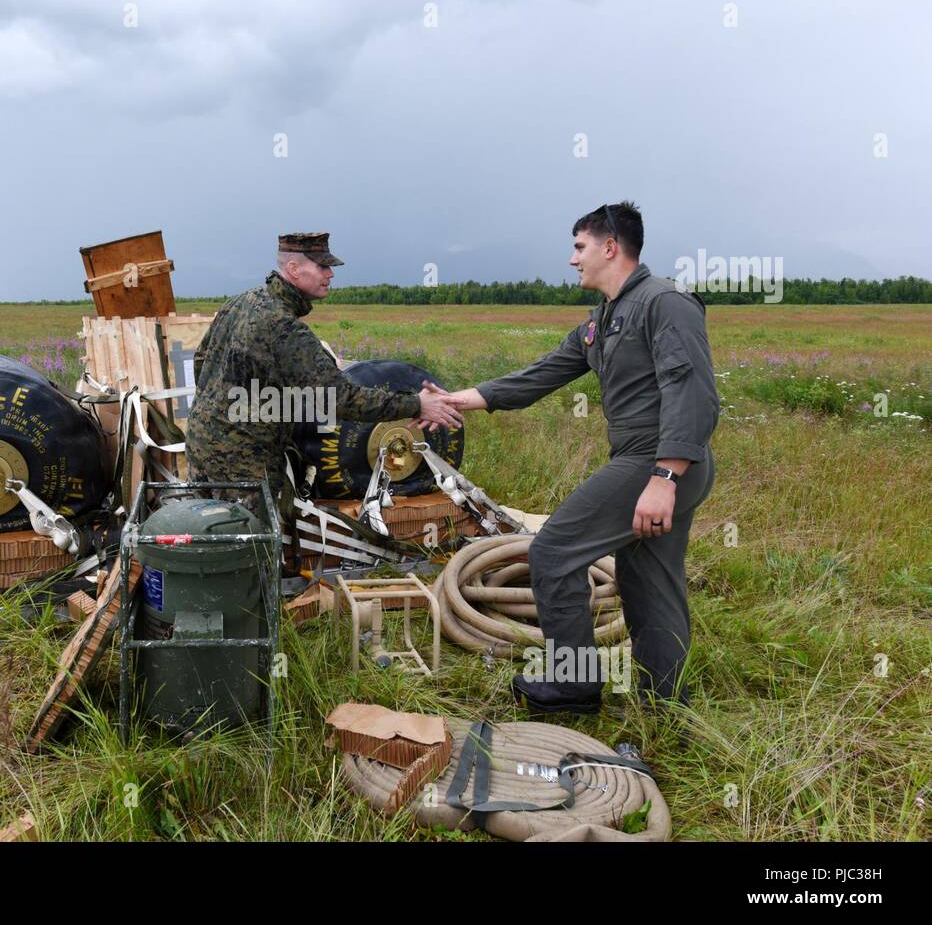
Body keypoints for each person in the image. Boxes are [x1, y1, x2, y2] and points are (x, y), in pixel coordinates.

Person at [439, 202, 719, 712]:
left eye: (579, 247)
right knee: (647, 579)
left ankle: (575, 685)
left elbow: (692, 393)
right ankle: (666, 702)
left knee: (553, 552)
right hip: (652, 463)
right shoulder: (605, 318)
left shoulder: (666, 302)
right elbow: (541, 374)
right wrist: (458, 400)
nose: (573, 259)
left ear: (610, 247)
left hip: (659, 461)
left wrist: (664, 477)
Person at [185, 232, 463, 518]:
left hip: (200, 444)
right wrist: (417, 404)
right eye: (321, 266)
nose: (330, 274)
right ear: (293, 269)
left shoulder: (241, 302)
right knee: (255, 547)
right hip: (241, 461)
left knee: (203, 536)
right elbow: (341, 398)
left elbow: (202, 360)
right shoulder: (283, 326)